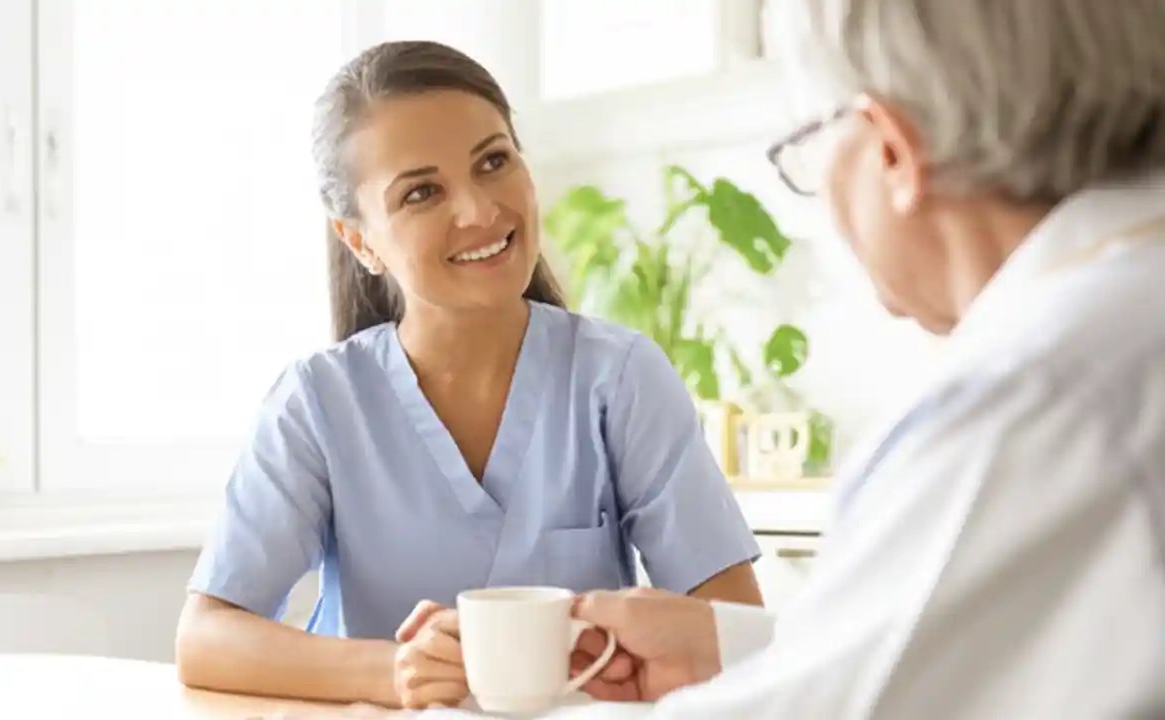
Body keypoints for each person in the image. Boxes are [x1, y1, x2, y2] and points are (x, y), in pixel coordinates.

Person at [418, 0, 1165, 717]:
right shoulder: (1118, 322)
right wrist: (737, 649)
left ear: (891, 150)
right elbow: (960, 654)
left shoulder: (1036, 400)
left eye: (809, 146)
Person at [174, 40, 764, 710]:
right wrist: (395, 670)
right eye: (421, 192)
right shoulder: (317, 403)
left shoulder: (620, 379)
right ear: (359, 240)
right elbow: (206, 637)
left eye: (493, 161)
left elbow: (736, 635)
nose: (480, 211)